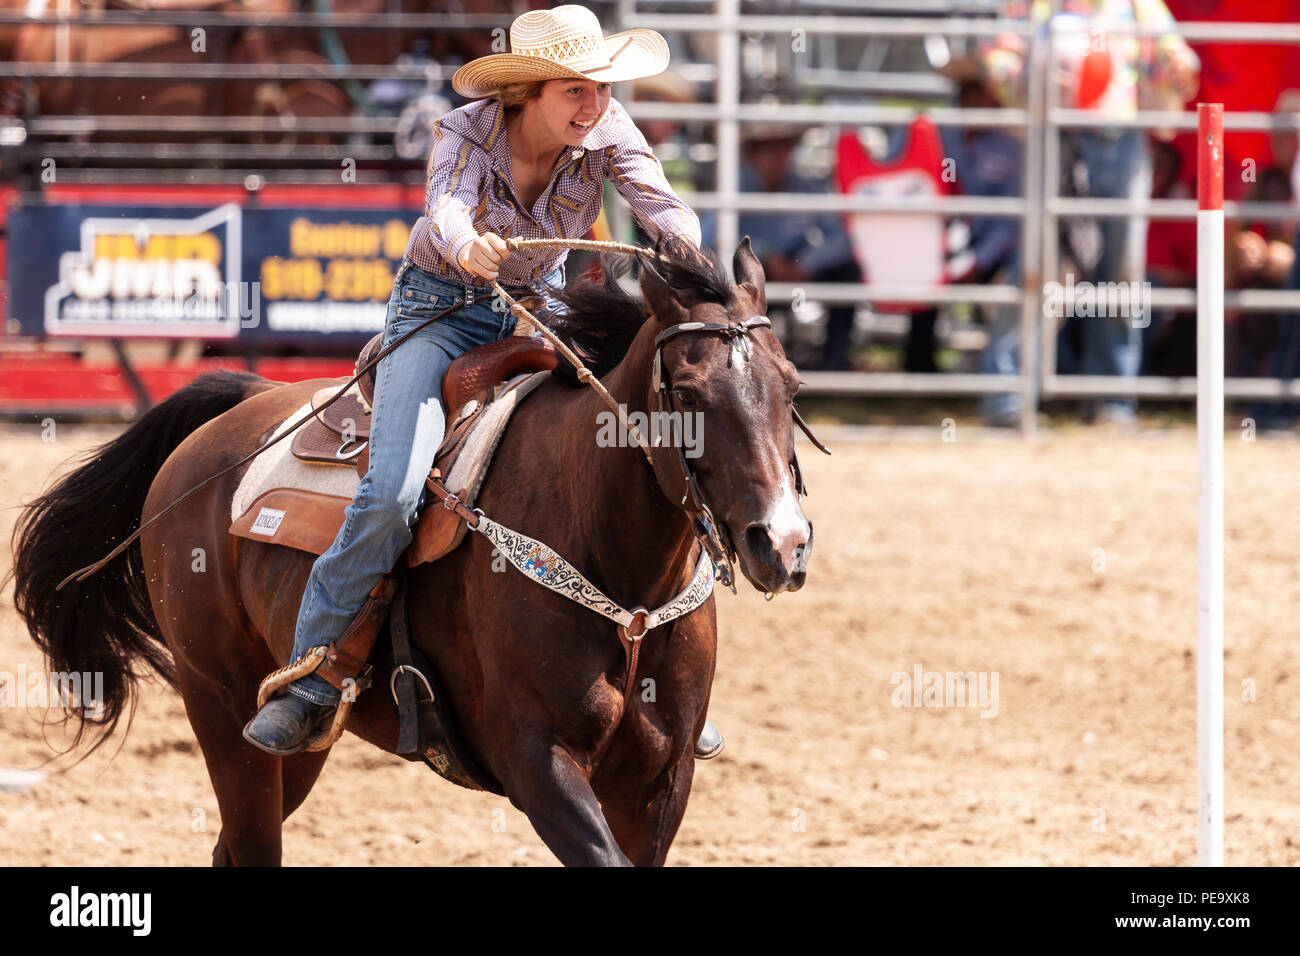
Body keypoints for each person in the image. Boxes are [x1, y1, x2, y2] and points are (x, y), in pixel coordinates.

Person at [243, 5, 722, 758]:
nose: (592, 105)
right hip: (438, 315)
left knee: (650, 442)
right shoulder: (467, 130)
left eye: (599, 89)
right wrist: (467, 245)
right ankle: (313, 673)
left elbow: (661, 205)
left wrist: (687, 251)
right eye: (574, 91)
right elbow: (448, 209)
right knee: (396, 487)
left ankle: (664, 671)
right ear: (529, 90)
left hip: (542, 311)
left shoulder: (608, 131)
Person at [700, 123, 861, 370]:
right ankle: (743, 364)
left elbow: (841, 238)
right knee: (728, 282)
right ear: (751, 154)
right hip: (751, 276)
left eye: (785, 147)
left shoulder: (806, 187)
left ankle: (834, 362)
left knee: (848, 271)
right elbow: (712, 237)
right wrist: (764, 256)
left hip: (796, 270)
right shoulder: (734, 186)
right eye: (770, 148)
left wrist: (807, 264)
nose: (779, 155)